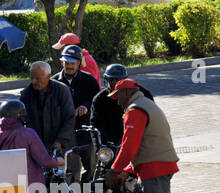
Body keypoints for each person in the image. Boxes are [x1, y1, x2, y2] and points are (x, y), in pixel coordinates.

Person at [19, 61, 75, 178]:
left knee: (64, 183)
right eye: (32, 78)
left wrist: (60, 140)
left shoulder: (62, 91)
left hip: (61, 146)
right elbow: (19, 121)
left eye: (38, 78)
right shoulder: (26, 95)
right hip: (37, 148)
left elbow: (69, 118)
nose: (34, 82)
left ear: (48, 77)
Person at [0, 99, 64, 193]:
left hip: (4, 189)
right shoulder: (28, 134)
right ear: (21, 116)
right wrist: (58, 161)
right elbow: (45, 161)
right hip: (29, 189)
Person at [52, 45, 99, 178]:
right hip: (65, 133)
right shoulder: (54, 82)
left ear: (79, 63)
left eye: (72, 63)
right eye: (66, 62)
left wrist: (86, 106)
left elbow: (96, 100)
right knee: (70, 171)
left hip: (85, 132)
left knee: (91, 168)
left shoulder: (89, 80)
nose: (69, 66)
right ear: (62, 62)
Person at [90, 64, 154, 145]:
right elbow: (95, 125)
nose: (116, 83)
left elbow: (150, 122)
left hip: (139, 141)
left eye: (119, 80)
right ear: (106, 79)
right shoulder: (100, 99)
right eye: (112, 80)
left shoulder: (144, 94)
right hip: (111, 144)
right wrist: (100, 147)